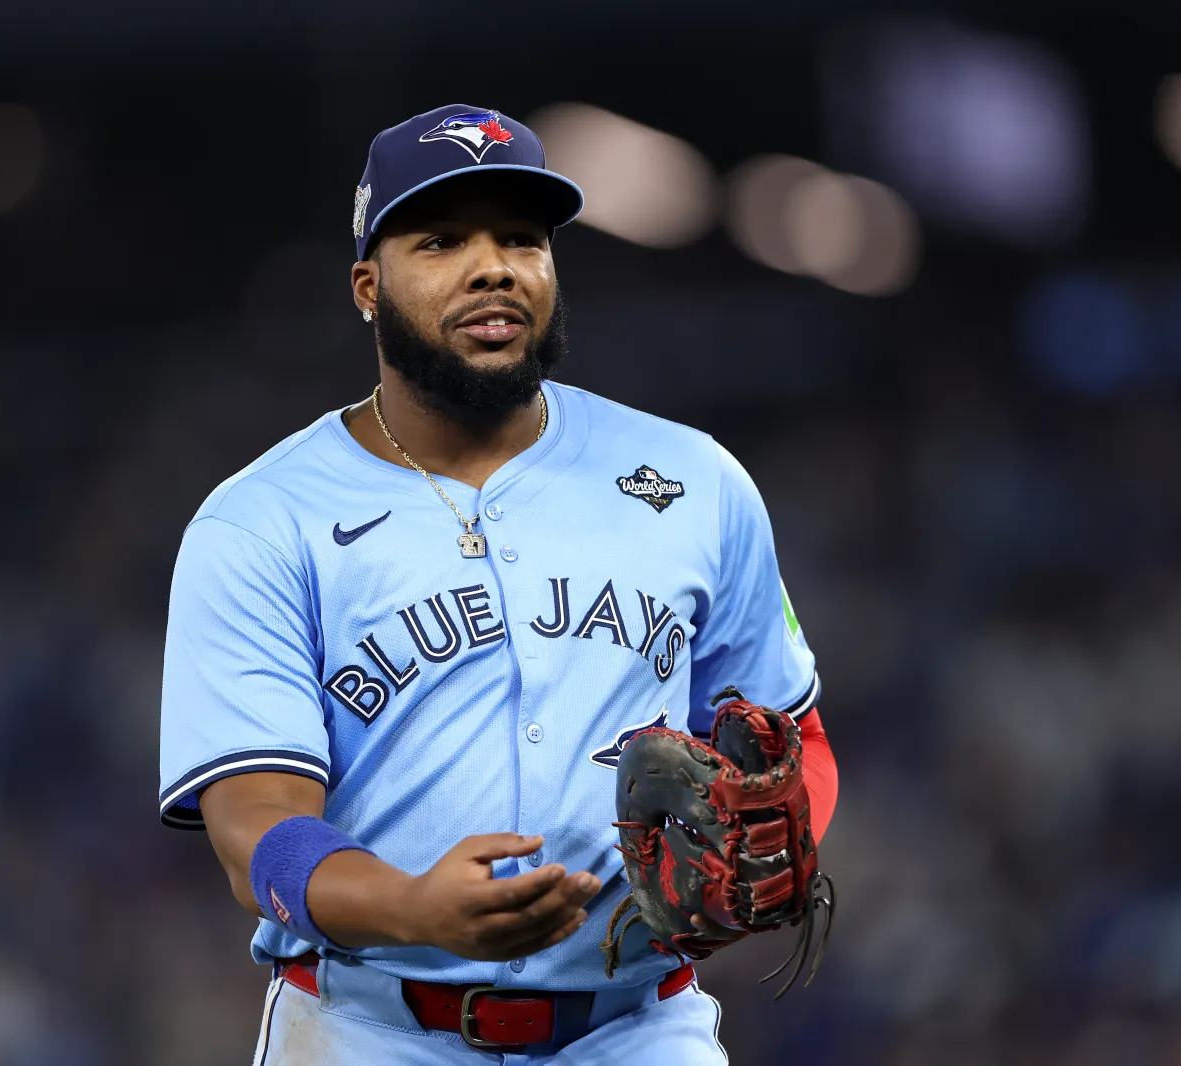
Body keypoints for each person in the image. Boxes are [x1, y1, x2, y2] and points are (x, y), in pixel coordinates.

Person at [158, 104, 840, 1064]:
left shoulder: (694, 482)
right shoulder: (261, 521)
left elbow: (791, 733)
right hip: (370, 1029)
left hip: (639, 1031)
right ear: (366, 286)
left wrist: (773, 831)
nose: (493, 266)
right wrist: (410, 907)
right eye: (441, 240)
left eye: (521, 238)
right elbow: (256, 834)